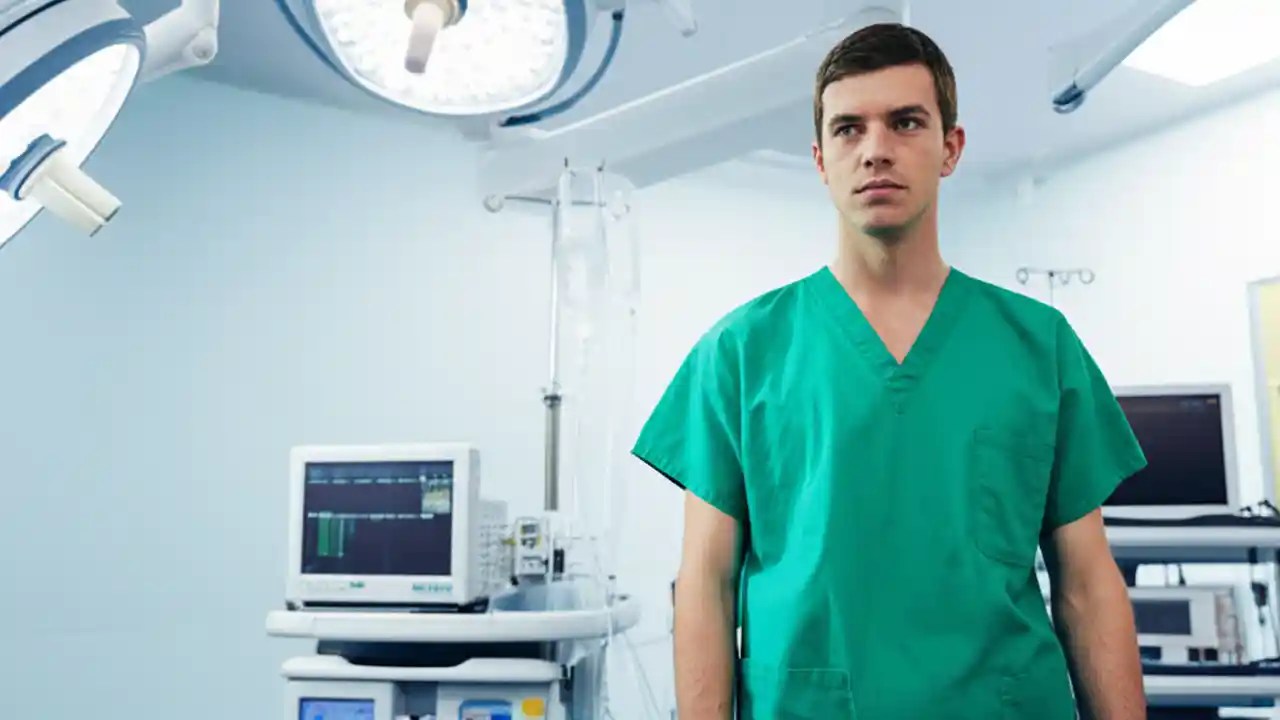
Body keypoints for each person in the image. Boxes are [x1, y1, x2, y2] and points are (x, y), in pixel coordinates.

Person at [631, 22, 1149, 720]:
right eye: (849, 129)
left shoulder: (1038, 345)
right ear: (820, 159)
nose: (876, 150)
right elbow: (705, 585)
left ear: (951, 148)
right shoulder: (742, 353)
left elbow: (1086, 583)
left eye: (906, 122)